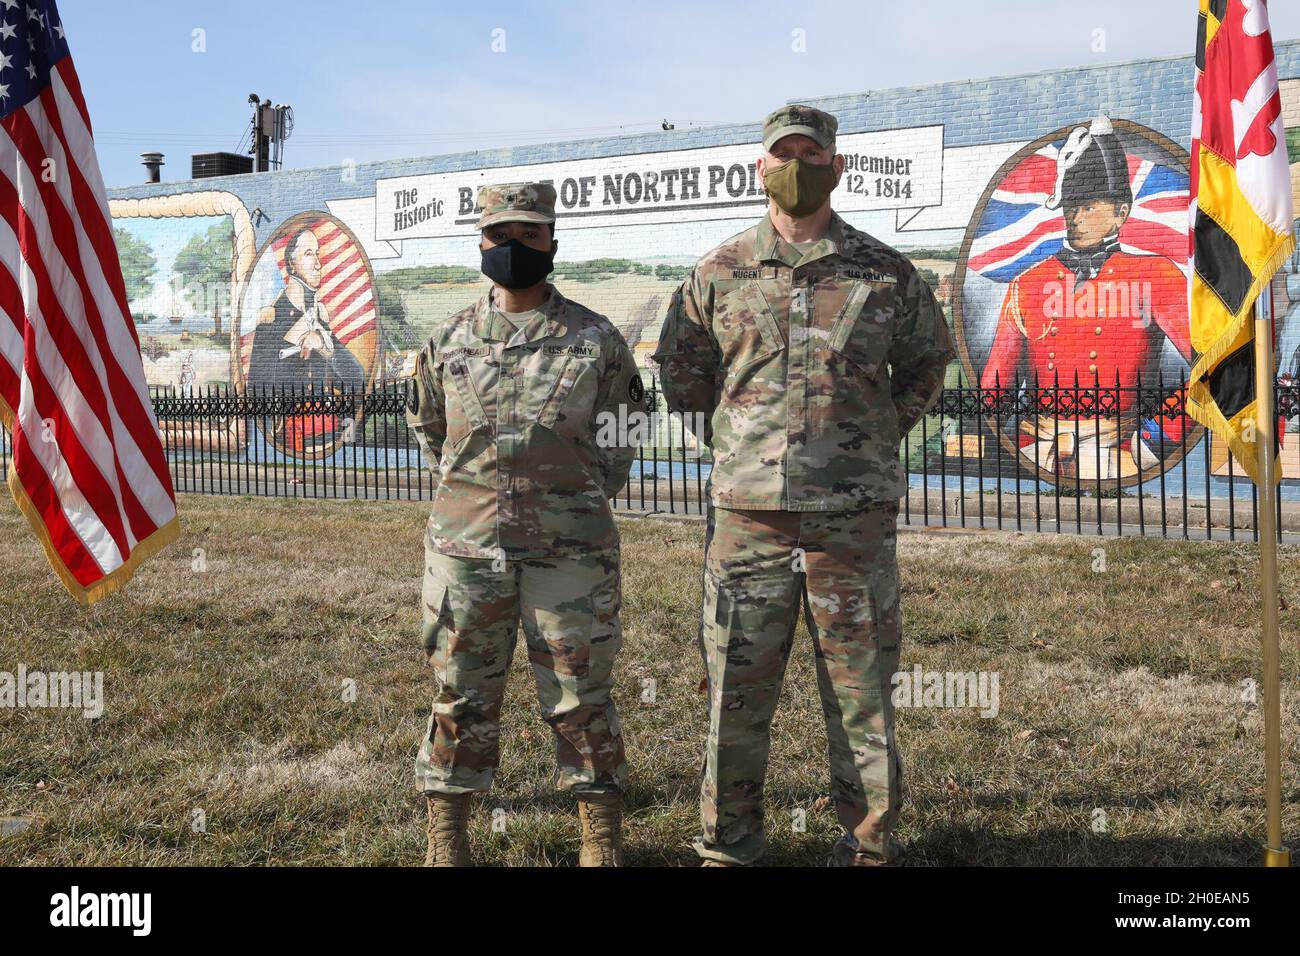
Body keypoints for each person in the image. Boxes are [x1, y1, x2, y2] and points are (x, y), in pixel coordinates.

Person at [654, 104, 955, 866]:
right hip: (748, 522)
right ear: (760, 168)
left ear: (836, 166)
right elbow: (682, 372)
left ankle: (869, 846)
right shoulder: (718, 273)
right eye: (783, 154)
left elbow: (928, 361)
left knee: (862, 694)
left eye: (811, 154)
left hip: (851, 523)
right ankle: (730, 843)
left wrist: (875, 433)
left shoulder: (885, 273)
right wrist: (735, 442)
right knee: (736, 690)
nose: (796, 167)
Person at [407, 182, 645, 866]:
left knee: (580, 695)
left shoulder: (594, 340)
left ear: (552, 243)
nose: (515, 247)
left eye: (530, 234)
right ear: (481, 243)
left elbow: (623, 430)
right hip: (467, 549)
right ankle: (447, 838)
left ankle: (600, 837)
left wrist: (574, 496)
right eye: (501, 235)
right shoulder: (447, 339)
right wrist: (472, 490)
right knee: (461, 693)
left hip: (570, 553)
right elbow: (429, 427)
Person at [979, 116, 1193, 478]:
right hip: (1036, 448)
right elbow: (995, 386)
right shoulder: (1027, 283)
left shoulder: (1155, 275)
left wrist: (1154, 439)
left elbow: (1214, 366)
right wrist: (1000, 442)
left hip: (1120, 452)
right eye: (1071, 206)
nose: (1076, 217)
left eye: (1090, 205)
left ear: (1121, 213)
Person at [248, 226, 366, 393]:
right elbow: (260, 392)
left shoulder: (317, 317)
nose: (318, 264)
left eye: (317, 253)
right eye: (309, 254)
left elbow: (357, 379)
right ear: (292, 263)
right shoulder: (272, 318)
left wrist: (321, 345)